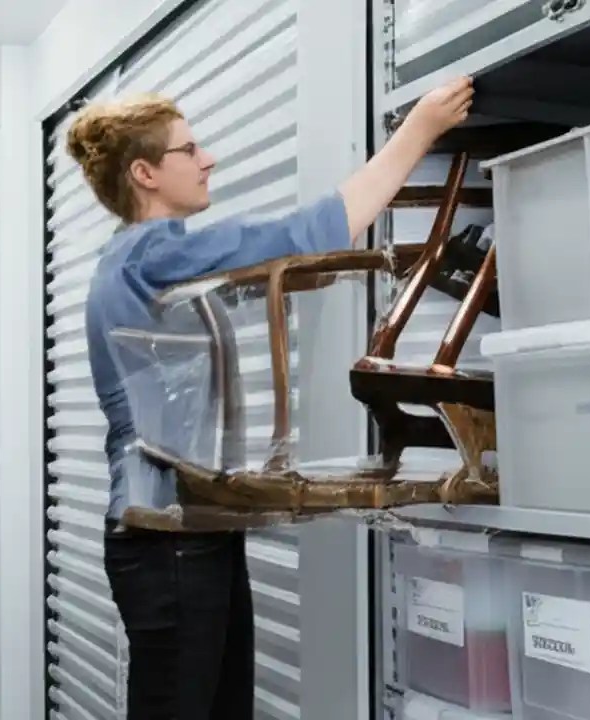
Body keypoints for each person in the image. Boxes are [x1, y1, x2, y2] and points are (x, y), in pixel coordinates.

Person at [65, 76, 474, 719]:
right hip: (169, 534)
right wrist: (417, 131)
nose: (208, 160)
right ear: (144, 173)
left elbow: (279, 271)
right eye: (189, 150)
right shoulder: (150, 253)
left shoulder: (151, 268)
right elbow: (299, 237)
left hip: (197, 528)